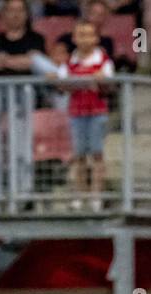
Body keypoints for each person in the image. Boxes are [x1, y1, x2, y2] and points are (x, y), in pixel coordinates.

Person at [59, 19, 112, 208]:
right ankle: (79, 195)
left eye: (89, 35)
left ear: (96, 38)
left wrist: (102, 81)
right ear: (74, 38)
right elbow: (62, 85)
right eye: (81, 35)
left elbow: (110, 86)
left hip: (97, 112)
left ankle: (97, 195)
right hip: (76, 113)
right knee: (79, 155)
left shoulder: (103, 61)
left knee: (97, 154)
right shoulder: (69, 63)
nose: (85, 39)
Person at [0, 0, 44, 78]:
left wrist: (2, 61)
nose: (16, 15)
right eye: (11, 10)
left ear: (27, 14)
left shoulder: (36, 39)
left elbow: (36, 63)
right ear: (3, 14)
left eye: (20, 10)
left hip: (28, 87)